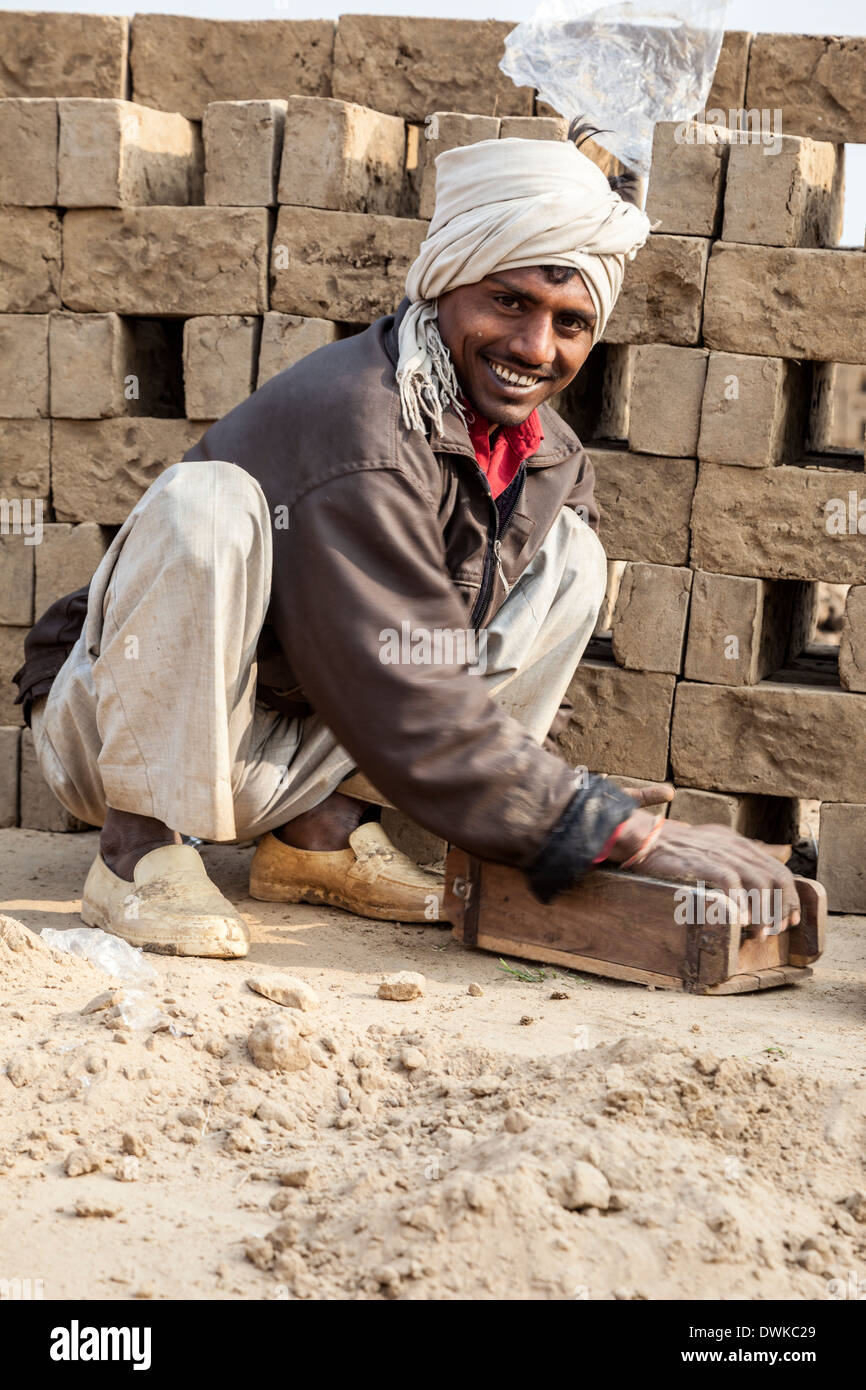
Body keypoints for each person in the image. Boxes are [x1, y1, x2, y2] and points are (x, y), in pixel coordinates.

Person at [13, 127, 800, 959]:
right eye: (509, 302)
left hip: (298, 756)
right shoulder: (359, 418)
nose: (536, 348)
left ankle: (321, 839)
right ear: (444, 287)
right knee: (204, 507)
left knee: (572, 557)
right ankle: (138, 854)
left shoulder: (550, 463)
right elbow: (410, 684)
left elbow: (468, 670)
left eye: (570, 322)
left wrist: (541, 795)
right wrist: (619, 831)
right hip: (121, 738)